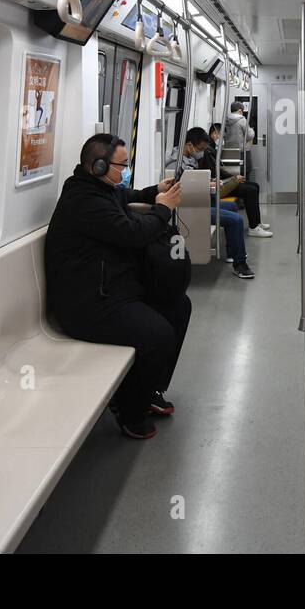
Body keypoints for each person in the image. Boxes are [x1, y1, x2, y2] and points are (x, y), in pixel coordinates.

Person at [44, 133, 191, 440]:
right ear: (98, 166)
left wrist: (154, 193)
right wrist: (162, 210)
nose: (126, 171)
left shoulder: (102, 190)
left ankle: (148, 390)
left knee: (179, 306)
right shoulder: (83, 201)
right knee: (158, 335)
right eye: (122, 165)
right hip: (87, 305)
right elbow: (132, 233)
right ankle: (128, 410)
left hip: (113, 289)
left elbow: (125, 196)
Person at [167, 131, 257, 278]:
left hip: (199, 200)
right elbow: (183, 188)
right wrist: (208, 184)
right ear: (190, 145)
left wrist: (210, 182)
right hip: (189, 208)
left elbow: (192, 181)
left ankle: (233, 252)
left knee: (232, 207)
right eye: (200, 149)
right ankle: (240, 264)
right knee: (237, 220)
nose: (202, 153)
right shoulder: (175, 164)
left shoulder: (188, 158)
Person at [182, 127, 271, 237]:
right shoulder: (197, 159)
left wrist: (233, 178)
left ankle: (256, 222)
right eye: (215, 133)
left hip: (217, 183)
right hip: (214, 189)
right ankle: (253, 227)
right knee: (250, 190)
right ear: (190, 145)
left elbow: (217, 173)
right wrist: (233, 181)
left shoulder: (206, 153)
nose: (217, 136)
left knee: (254, 186)